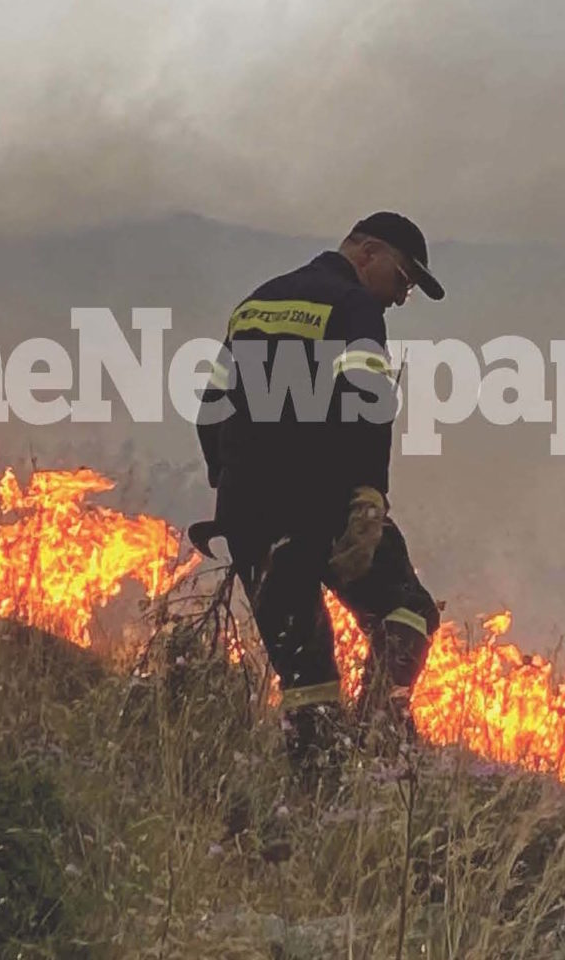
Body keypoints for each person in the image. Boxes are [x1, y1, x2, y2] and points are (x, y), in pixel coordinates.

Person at [190, 211, 445, 774]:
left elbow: (210, 410)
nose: (400, 299)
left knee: (308, 683)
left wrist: (230, 487)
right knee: (409, 608)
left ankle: (312, 812)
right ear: (367, 252)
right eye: (402, 280)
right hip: (324, 506)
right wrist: (369, 498)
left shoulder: (256, 302)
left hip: (251, 521)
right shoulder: (353, 306)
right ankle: (381, 723)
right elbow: (369, 400)